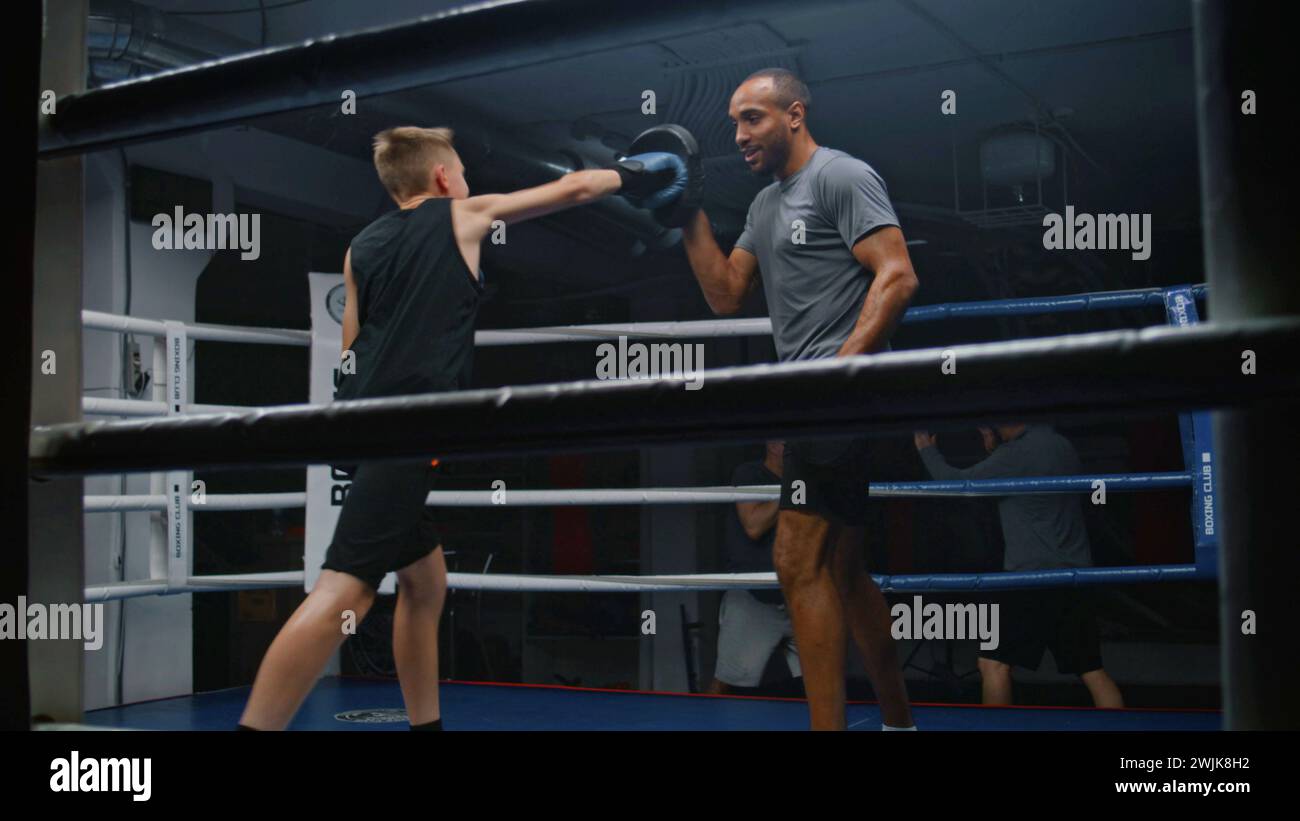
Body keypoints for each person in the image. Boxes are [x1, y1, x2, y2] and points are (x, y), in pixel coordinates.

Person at [238, 126, 691, 730]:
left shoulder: (361, 248)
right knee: (343, 591)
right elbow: (576, 188)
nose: (468, 183)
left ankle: (427, 726)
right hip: (407, 431)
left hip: (364, 426)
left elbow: (350, 354)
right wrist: (640, 173)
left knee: (425, 584)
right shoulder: (459, 215)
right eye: (463, 174)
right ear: (444, 178)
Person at [680, 68, 918, 730]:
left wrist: (836, 377)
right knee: (844, 569)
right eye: (734, 122)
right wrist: (686, 211)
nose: (738, 135)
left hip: (846, 396)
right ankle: (899, 719)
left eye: (752, 118)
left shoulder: (842, 177)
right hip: (822, 402)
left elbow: (897, 277)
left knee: (794, 557)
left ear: (795, 114)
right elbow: (726, 293)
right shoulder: (764, 206)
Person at [913, 423, 1124, 708]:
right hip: (1075, 574)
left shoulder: (1018, 453)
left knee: (993, 664)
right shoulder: (1062, 445)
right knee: (1091, 670)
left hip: (1030, 578)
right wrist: (998, 453)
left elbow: (957, 485)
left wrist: (927, 451)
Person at [708, 441, 801, 695]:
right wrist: (792, 487)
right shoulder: (750, 474)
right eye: (789, 441)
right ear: (772, 444)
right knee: (726, 681)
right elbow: (753, 525)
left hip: (798, 596)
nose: (797, 446)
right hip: (753, 598)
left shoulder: (806, 480)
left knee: (821, 681)